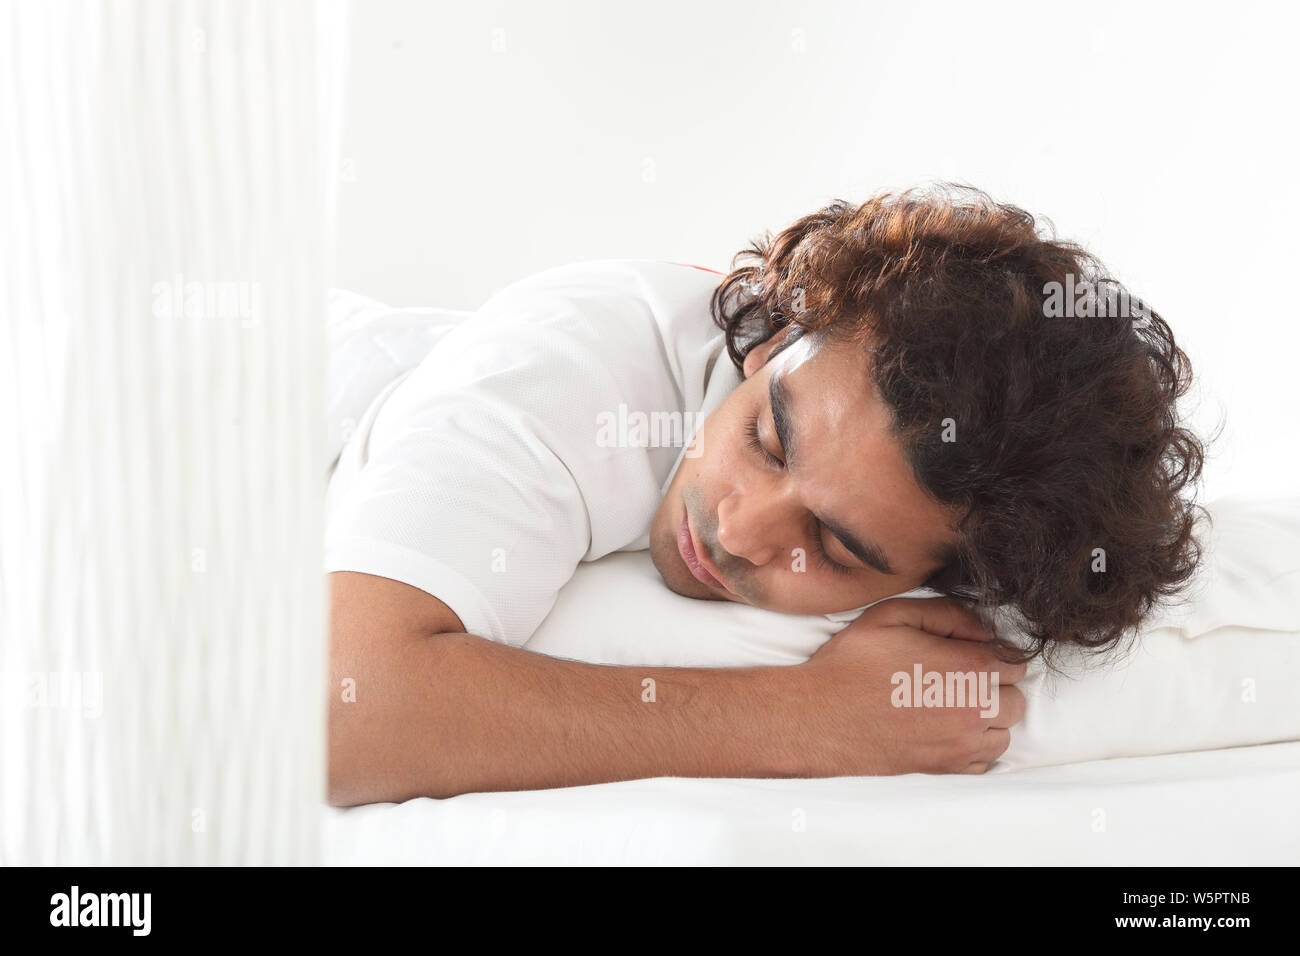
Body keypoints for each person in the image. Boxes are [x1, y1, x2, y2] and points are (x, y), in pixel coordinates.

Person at [325, 183, 1205, 806]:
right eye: (768, 438)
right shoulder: (569, 374)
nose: (739, 528)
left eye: (833, 546)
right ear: (777, 334)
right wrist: (808, 722)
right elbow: (336, 711)